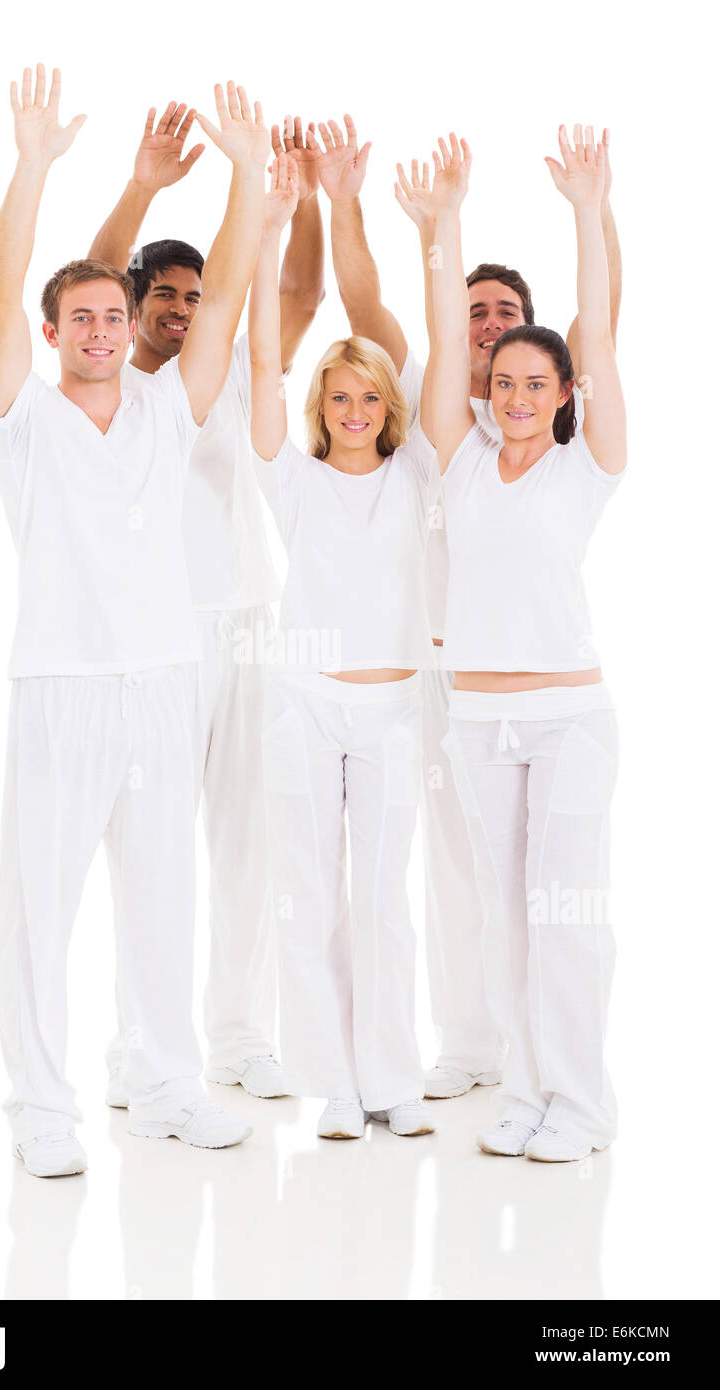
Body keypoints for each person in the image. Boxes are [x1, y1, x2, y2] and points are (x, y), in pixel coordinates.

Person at [0, 68, 268, 1174]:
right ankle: (41, 1112)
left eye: (114, 313)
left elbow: (231, 298)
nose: (102, 327)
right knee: (39, 910)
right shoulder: (24, 417)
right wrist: (34, 164)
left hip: (162, 680)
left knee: (162, 899)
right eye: (82, 315)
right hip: (61, 687)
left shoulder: (161, 403)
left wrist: (247, 173)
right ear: (55, 332)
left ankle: (164, 1082)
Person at [315, 114, 621, 1101]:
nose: (484, 324)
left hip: (540, 685)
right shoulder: (440, 417)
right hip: (438, 672)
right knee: (469, 878)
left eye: (502, 314)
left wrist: (591, 206)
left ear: (546, 368)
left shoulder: (561, 434)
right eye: (473, 314)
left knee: (551, 894)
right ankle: (475, 1046)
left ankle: (558, 1077)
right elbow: (382, 311)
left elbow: (600, 326)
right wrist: (361, 206)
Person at [397, 126, 625, 1161]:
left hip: (564, 719)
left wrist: (587, 210)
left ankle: (579, 1105)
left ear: (562, 393)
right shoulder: (458, 459)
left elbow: (602, 334)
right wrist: (439, 229)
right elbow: (447, 343)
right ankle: (527, 1094)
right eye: (505, 385)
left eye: (538, 384)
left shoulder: (582, 466)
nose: (517, 396)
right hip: (477, 720)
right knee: (503, 916)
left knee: (564, 912)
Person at [89, 104, 325, 1103]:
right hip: (149, 645)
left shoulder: (222, 372)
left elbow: (298, 291)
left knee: (248, 838)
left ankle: (237, 1034)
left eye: (195, 296)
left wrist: (301, 197)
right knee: (149, 848)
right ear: (132, 303)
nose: (184, 309)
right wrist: (144, 183)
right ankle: (142, 1047)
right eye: (166, 296)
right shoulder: (97, 391)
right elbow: (84, 277)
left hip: (245, 631)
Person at [249, 154, 437, 1140]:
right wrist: (277, 216)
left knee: (382, 900)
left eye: (367, 398)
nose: (354, 413)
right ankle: (329, 1081)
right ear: (319, 406)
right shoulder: (291, 475)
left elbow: (423, 345)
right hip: (305, 703)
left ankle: (390, 1078)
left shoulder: (416, 473)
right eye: (338, 399)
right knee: (307, 892)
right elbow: (257, 367)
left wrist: (349, 201)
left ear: (385, 405)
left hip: (392, 707)